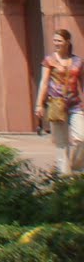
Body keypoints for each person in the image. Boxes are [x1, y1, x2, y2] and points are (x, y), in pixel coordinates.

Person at [35, 28, 83, 175]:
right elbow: (44, 82)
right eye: (55, 40)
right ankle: (64, 179)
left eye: (59, 41)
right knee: (62, 145)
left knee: (81, 139)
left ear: (67, 42)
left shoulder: (78, 61)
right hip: (56, 104)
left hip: (75, 104)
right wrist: (39, 104)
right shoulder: (49, 60)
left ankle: (75, 166)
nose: (56, 43)